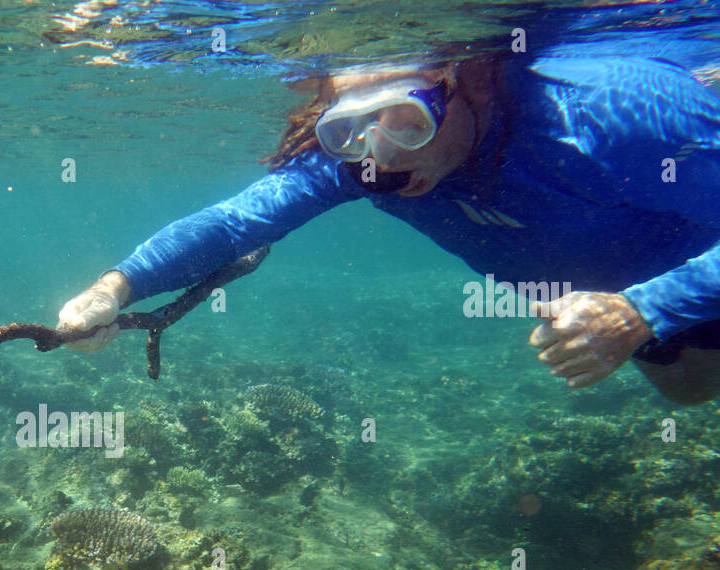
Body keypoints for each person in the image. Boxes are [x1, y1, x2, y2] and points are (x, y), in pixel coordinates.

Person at [58, 52, 720, 404]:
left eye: (407, 120)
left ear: (471, 85)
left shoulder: (614, 111)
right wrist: (112, 290)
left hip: (673, 286)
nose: (382, 156)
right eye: (350, 130)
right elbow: (235, 223)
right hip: (615, 320)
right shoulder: (364, 166)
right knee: (686, 391)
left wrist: (641, 310)